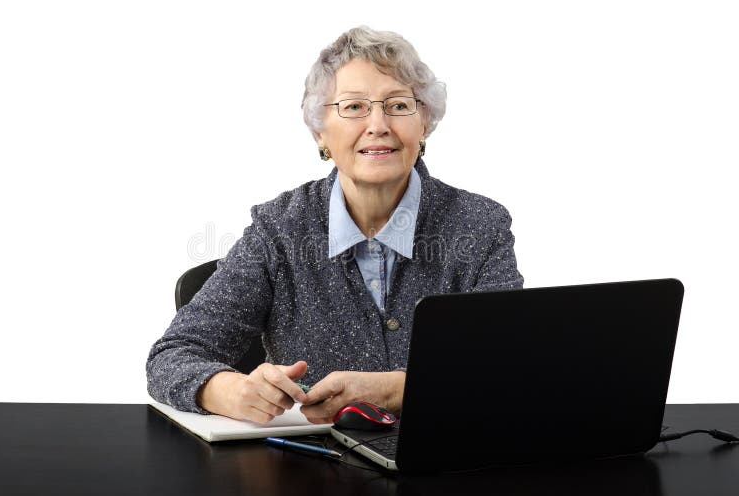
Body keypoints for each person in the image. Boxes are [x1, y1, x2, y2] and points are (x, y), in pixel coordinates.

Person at [146, 26, 523, 424]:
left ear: (424, 122)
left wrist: (396, 388)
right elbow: (171, 356)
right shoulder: (278, 230)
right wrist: (232, 390)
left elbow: (511, 369)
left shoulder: (481, 226)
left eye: (398, 105)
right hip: (309, 472)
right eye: (354, 107)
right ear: (319, 130)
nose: (378, 124)